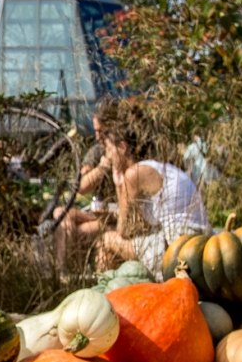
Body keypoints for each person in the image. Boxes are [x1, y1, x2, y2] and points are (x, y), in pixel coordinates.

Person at [55, 100, 208, 274]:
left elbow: (123, 231)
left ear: (122, 147)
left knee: (106, 240)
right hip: (188, 240)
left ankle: (103, 293)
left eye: (110, 150)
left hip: (181, 248)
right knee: (106, 249)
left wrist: (119, 182)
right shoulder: (150, 166)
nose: (108, 155)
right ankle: (110, 292)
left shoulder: (133, 174)